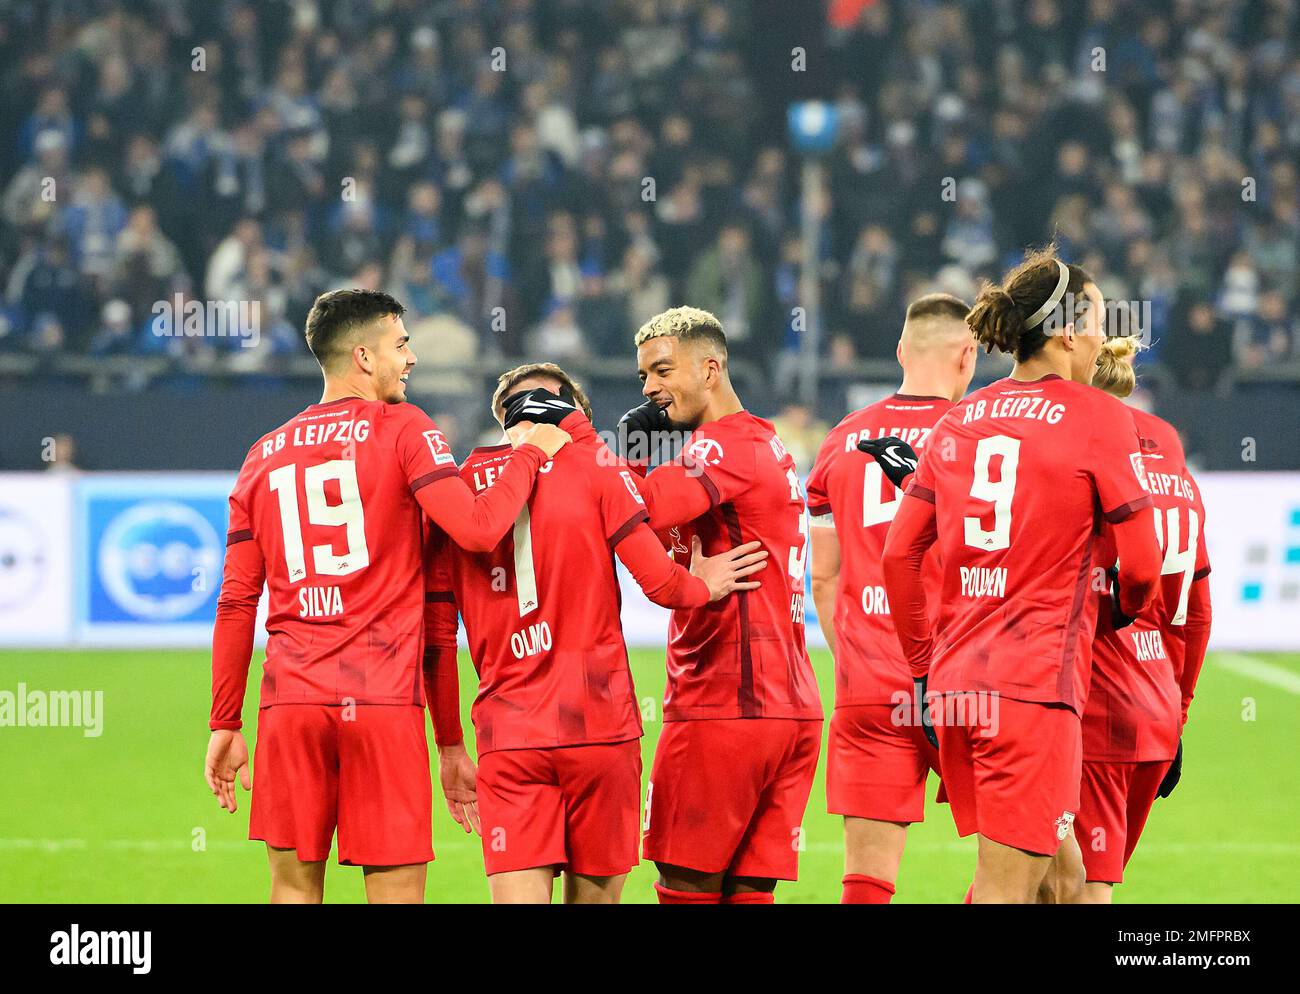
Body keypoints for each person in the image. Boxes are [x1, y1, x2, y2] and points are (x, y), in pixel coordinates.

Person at [204, 289, 570, 903]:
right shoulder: (404, 428)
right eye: (401, 345)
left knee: (292, 890)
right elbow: (477, 532)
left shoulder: (260, 457)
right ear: (365, 357)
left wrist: (224, 721)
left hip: (290, 706)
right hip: (380, 703)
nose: (411, 359)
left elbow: (237, 602)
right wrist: (532, 450)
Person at [424, 361, 769, 904]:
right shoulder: (598, 468)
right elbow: (661, 585)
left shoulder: (456, 490)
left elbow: (437, 637)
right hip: (600, 726)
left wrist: (448, 747)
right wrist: (701, 584)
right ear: (575, 416)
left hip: (509, 734)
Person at [878, 248, 1163, 903]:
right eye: (1095, 318)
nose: (1102, 334)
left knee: (1062, 881)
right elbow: (1144, 567)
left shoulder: (960, 417)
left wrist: (923, 669)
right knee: (1009, 889)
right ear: (1065, 331)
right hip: (1031, 692)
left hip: (956, 688)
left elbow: (900, 557)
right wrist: (1119, 610)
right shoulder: (1099, 416)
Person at [617, 306, 823, 904]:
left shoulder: (723, 446)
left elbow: (630, 510)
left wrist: (625, 450)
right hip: (789, 709)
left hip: (724, 704)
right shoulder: (763, 440)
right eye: (643, 378)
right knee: (748, 895)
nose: (650, 389)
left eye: (661, 371)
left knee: (686, 891)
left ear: (710, 368)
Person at [805, 292, 976, 903]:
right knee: (1026, 868)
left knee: (867, 882)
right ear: (968, 354)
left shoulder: (841, 440)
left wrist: (854, 654)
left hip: (869, 686)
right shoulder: (981, 438)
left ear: (901, 350)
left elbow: (822, 578)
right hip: (967, 685)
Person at [1068, 336, 1213, 903]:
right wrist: (1179, 713)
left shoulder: (1090, 458)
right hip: (1155, 712)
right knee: (1044, 886)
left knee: (1067, 888)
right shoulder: (1172, 465)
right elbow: (1197, 614)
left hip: (1094, 702)